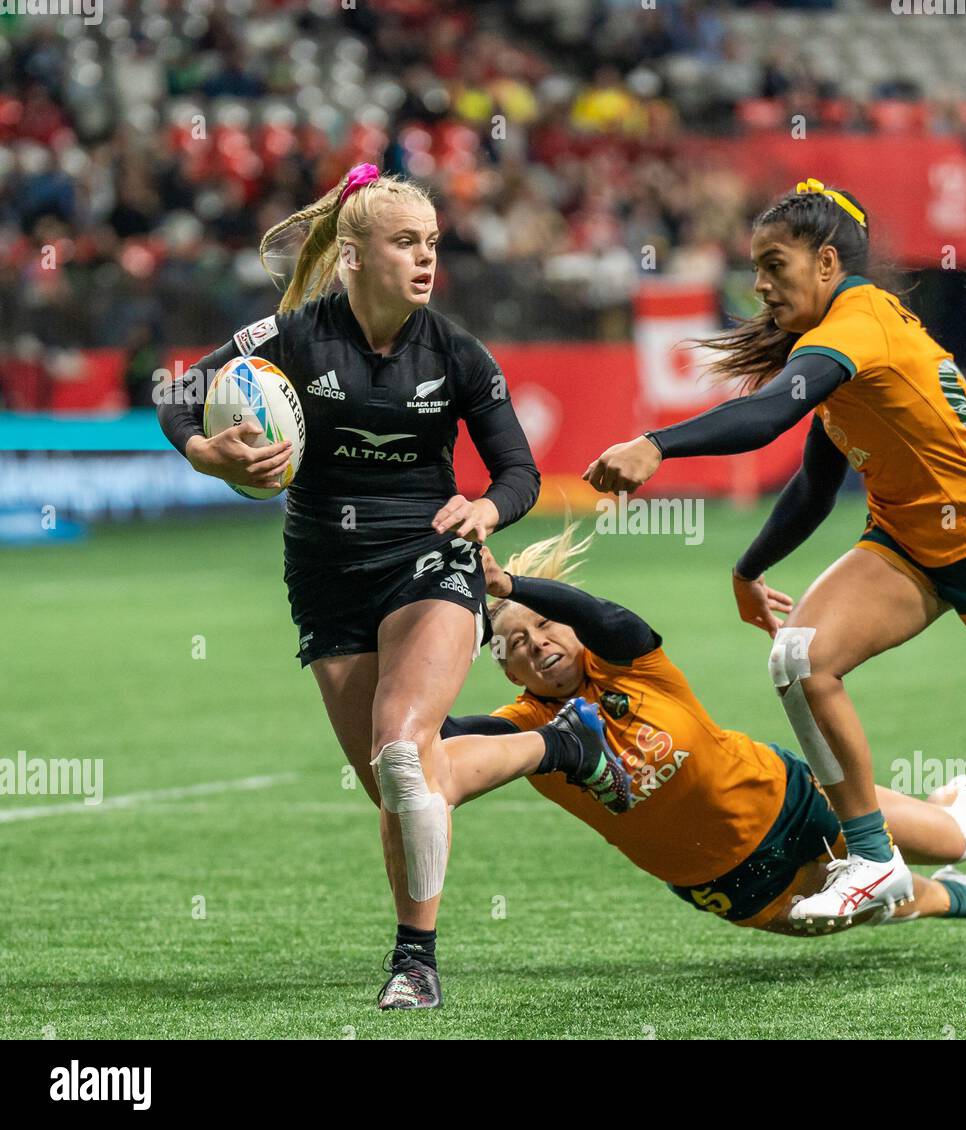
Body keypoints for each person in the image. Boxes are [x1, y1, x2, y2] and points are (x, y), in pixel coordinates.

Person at [583, 177, 966, 928]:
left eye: (773, 265)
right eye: (754, 268)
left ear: (826, 264)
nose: (758, 285)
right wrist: (749, 568)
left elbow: (767, 417)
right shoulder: (838, 337)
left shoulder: (855, 326)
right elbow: (818, 483)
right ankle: (874, 858)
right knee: (800, 659)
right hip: (909, 542)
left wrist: (657, 444)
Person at [157, 164, 631, 1010]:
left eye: (434, 244)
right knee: (402, 784)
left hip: (429, 556)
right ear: (353, 255)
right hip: (324, 573)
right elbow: (178, 393)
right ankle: (564, 744)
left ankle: (415, 961)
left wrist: (486, 509)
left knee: (404, 758)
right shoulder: (294, 337)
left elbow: (520, 472)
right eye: (407, 243)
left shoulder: (455, 352)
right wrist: (207, 451)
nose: (426, 260)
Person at [434, 527, 966, 942]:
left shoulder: (625, 659)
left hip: (789, 801)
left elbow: (606, 617)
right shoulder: (522, 728)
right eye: (515, 643)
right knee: (882, 906)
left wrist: (508, 589)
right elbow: (431, 731)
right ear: (505, 667)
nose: (537, 643)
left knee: (957, 841)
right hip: (727, 885)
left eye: (546, 626)